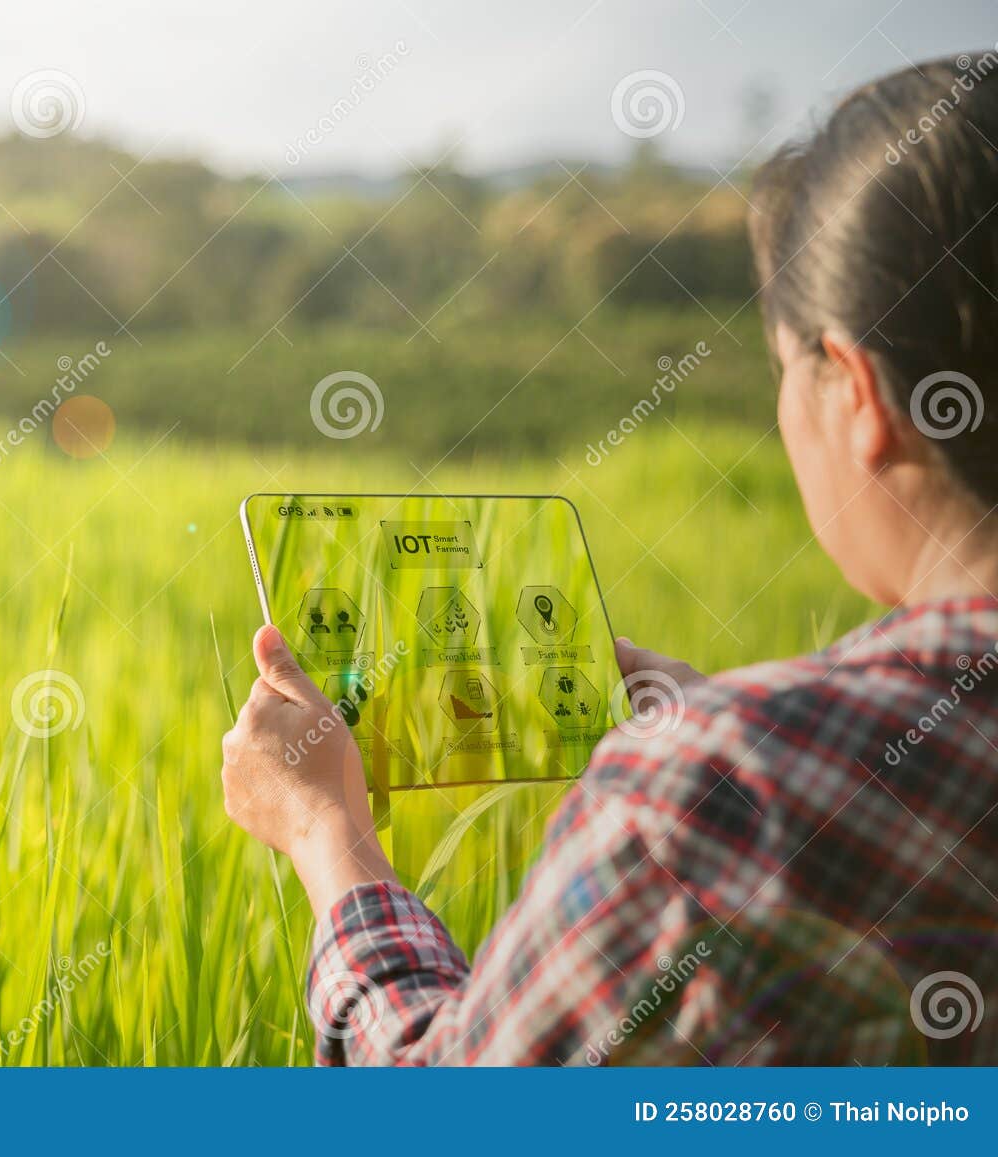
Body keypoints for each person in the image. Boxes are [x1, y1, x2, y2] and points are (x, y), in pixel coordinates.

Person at [220, 57, 998, 1065]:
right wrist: (752, 726)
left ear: (854, 390)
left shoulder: (705, 801)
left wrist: (331, 839)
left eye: (781, 367)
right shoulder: (749, 769)